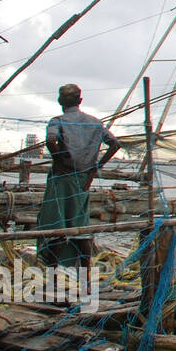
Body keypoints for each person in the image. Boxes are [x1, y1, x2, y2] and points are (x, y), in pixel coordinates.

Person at [36, 83, 120, 267]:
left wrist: (60, 161)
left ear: (59, 101)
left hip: (62, 179)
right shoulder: (95, 123)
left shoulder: (58, 121)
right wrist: (94, 168)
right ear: (80, 101)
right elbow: (114, 144)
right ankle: (85, 272)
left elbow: (50, 140)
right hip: (83, 179)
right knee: (80, 223)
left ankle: (53, 272)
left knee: (56, 224)